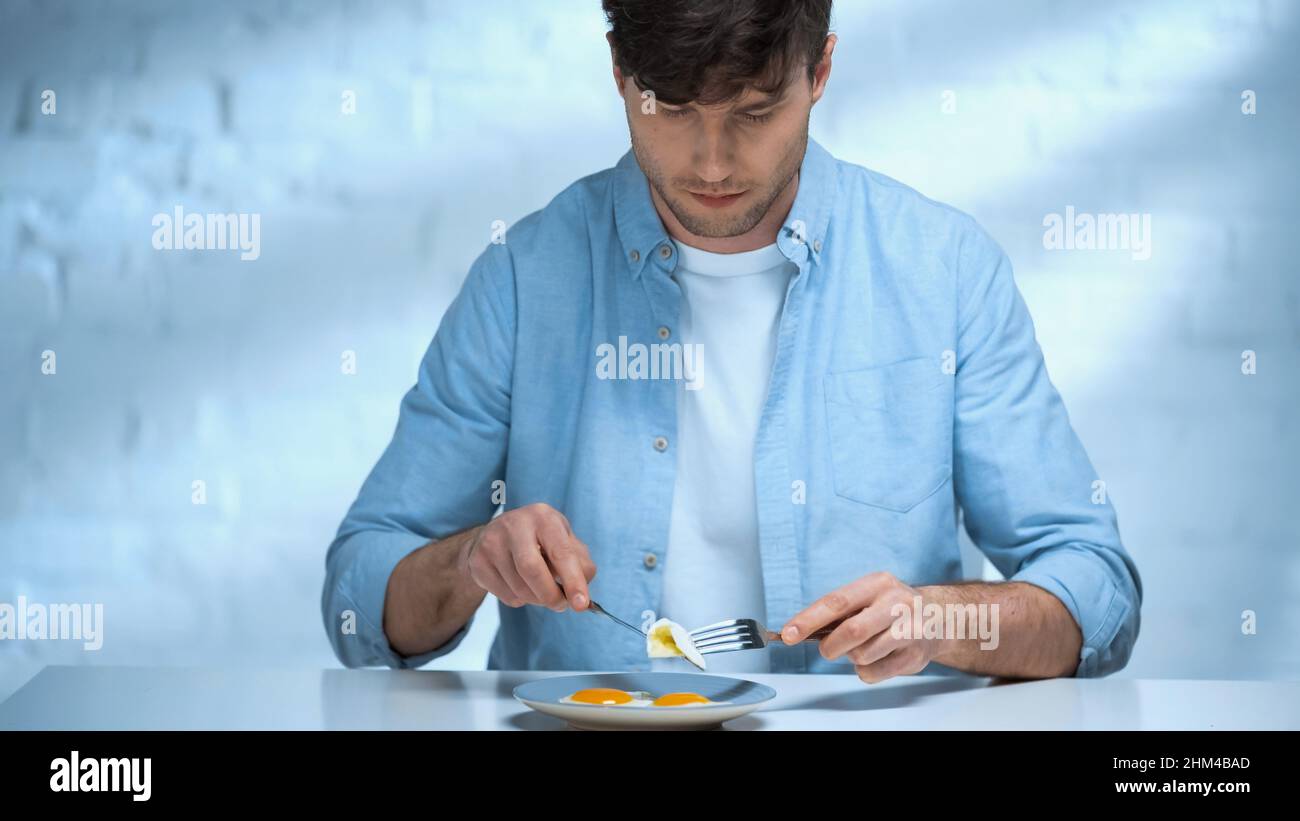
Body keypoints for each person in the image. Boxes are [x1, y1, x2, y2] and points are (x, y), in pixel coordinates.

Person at [322, 0, 1141, 682]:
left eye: (754, 112)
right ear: (619, 73)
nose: (712, 161)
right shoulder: (523, 278)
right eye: (673, 110)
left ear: (819, 72)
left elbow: (1097, 591)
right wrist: (471, 559)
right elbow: (359, 600)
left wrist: (942, 619)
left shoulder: (945, 270)